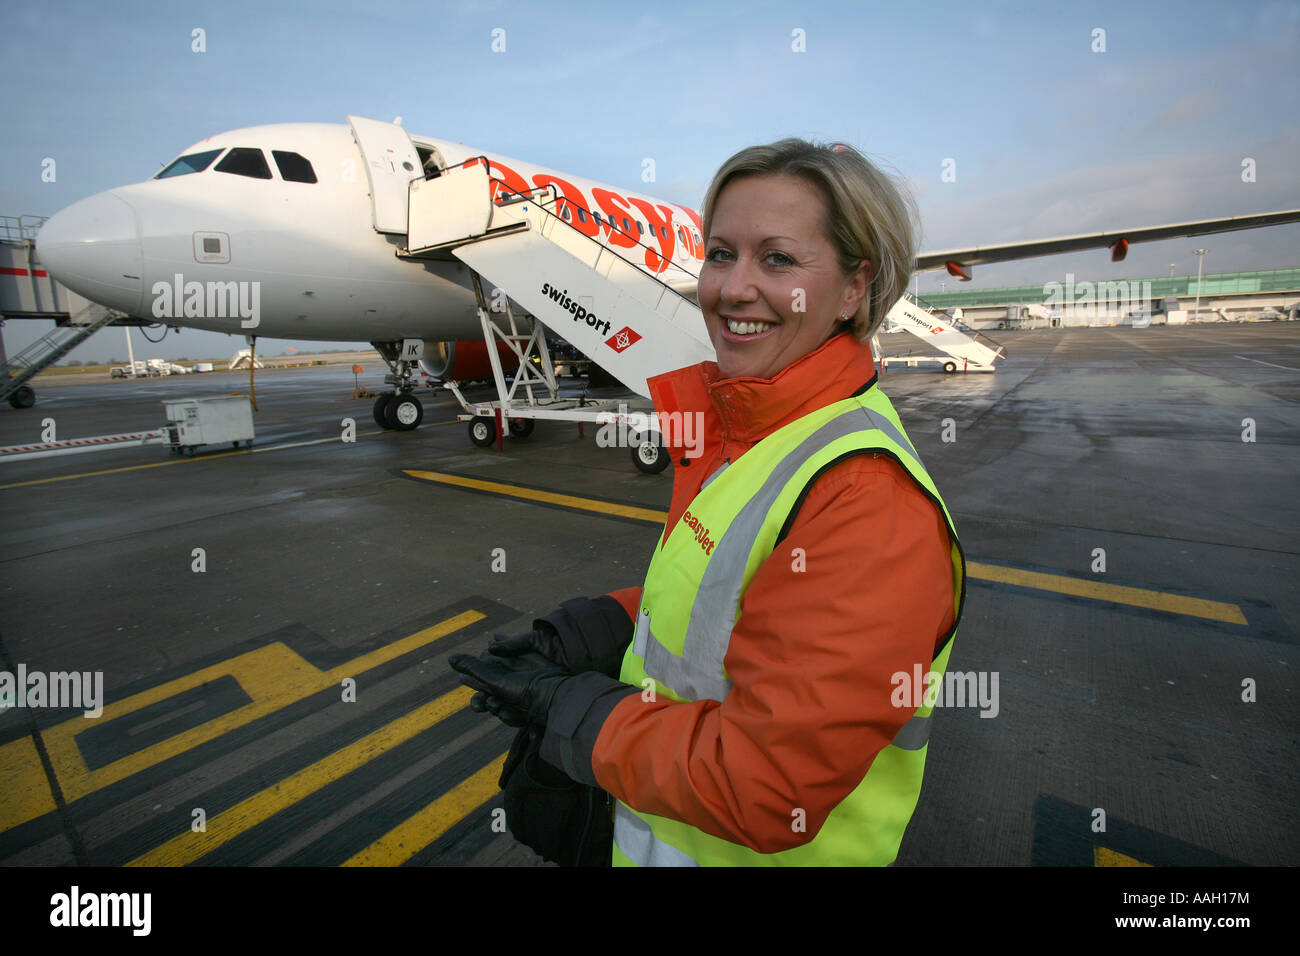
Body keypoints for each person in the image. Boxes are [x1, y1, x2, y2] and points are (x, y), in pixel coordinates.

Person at [451, 138, 966, 866]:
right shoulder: (756, 430)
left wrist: (565, 712)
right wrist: (592, 630)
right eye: (720, 253)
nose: (730, 288)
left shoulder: (864, 499)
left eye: (778, 259)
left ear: (856, 287)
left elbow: (764, 787)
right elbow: (727, 593)